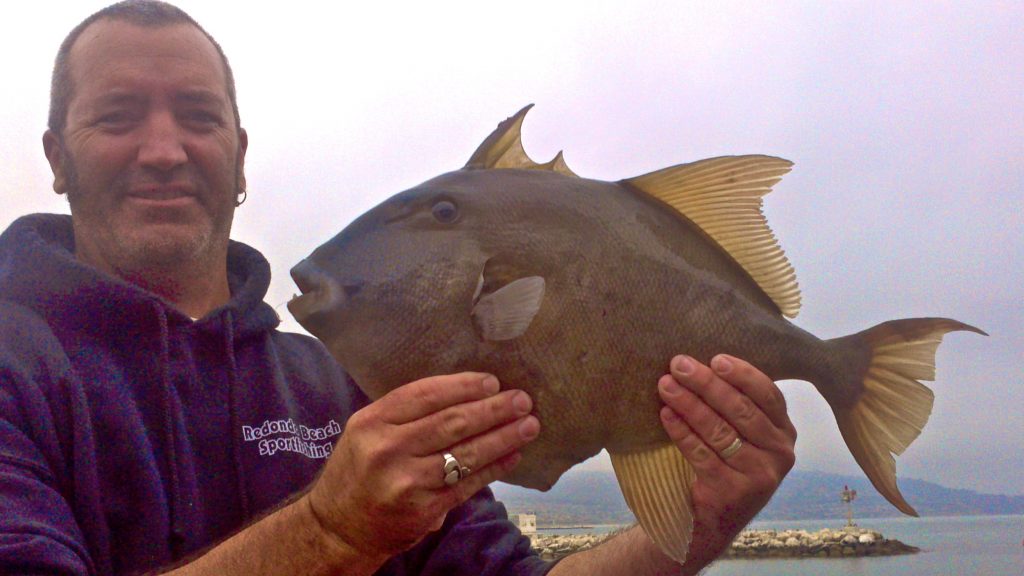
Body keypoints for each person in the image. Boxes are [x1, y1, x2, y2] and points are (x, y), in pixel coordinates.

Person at [0, 1, 797, 575]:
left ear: (239, 159)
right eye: (117, 117)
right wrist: (329, 532)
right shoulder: (17, 373)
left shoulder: (342, 384)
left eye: (198, 117)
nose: (164, 150)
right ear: (57, 157)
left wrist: (699, 521)